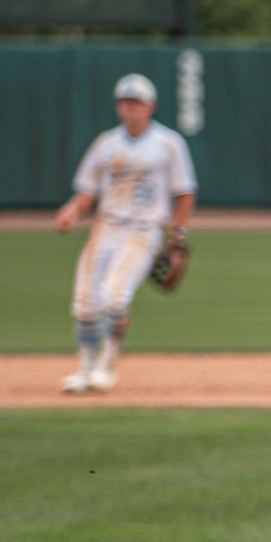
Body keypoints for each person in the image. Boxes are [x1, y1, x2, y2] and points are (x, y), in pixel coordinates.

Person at [55, 73, 195, 395]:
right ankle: (86, 368)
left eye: (137, 102)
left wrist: (178, 237)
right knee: (85, 303)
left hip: (143, 231)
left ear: (151, 106)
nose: (130, 109)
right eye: (125, 102)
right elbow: (87, 191)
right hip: (106, 227)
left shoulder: (169, 144)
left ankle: (107, 365)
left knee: (116, 297)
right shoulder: (106, 143)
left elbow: (184, 192)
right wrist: (72, 210)